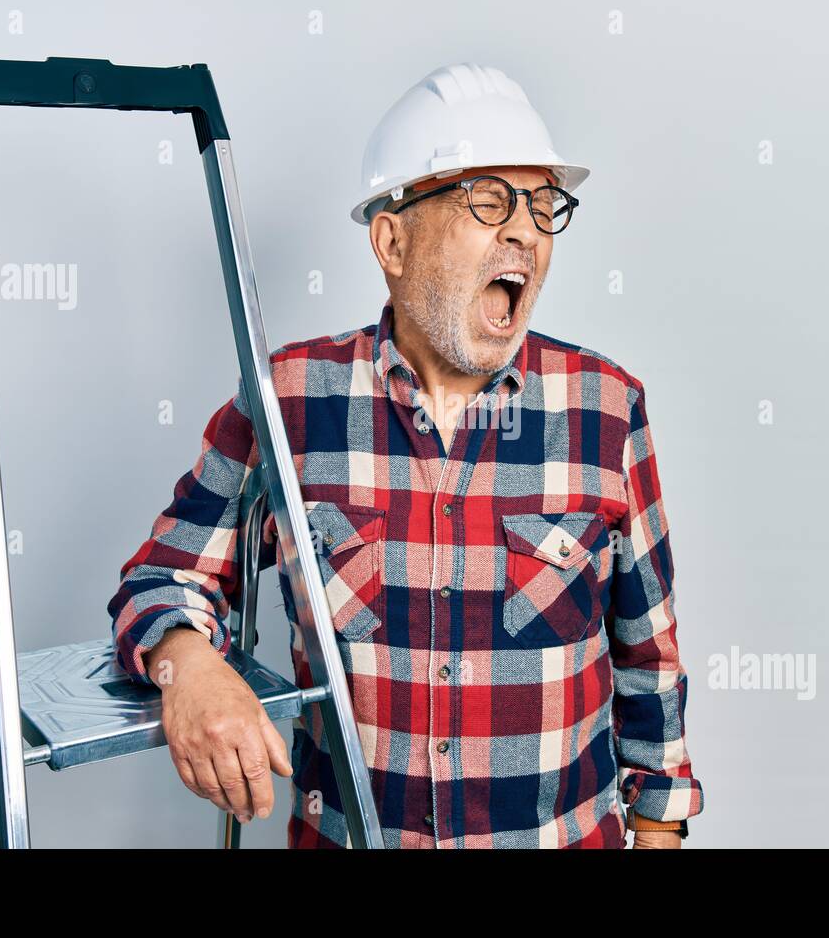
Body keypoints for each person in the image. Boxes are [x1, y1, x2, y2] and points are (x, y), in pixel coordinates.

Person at [107, 62, 703, 848]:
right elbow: (162, 577)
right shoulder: (289, 400)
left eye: (542, 206)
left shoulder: (607, 408)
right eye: (489, 200)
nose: (524, 229)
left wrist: (659, 834)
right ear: (392, 239)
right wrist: (189, 666)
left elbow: (649, 664)